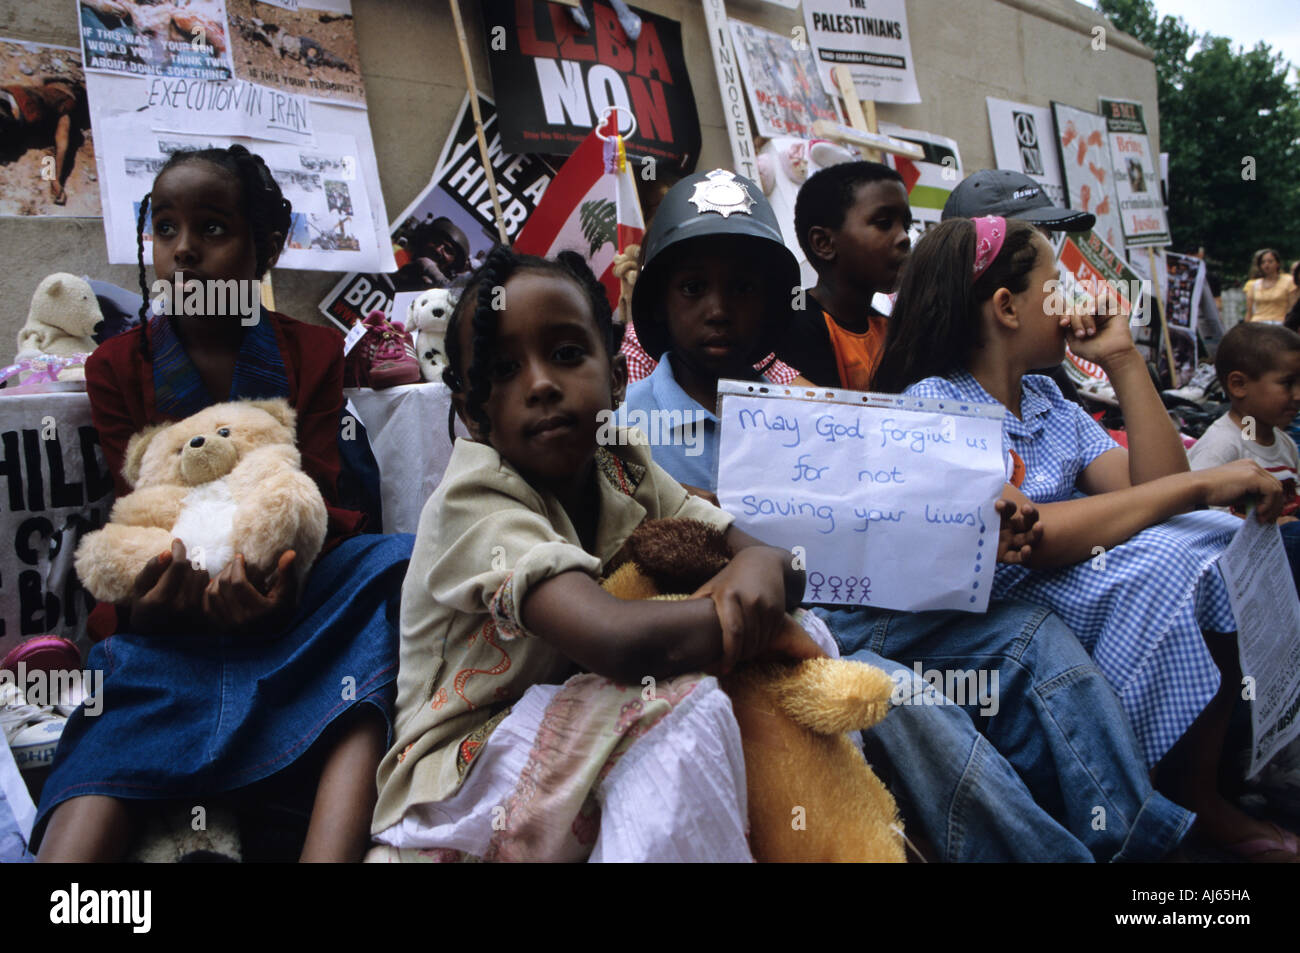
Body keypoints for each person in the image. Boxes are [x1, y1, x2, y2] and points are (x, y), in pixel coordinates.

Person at [621, 170, 1193, 862]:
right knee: (916, 705)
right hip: (773, 646)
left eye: (742, 288)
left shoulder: (801, 399)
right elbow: (648, 556)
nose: (718, 308)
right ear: (657, 301)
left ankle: (1145, 852)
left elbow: (885, 491)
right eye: (692, 288)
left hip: (870, 613)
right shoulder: (634, 428)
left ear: (773, 301)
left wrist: (969, 502)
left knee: (1035, 636)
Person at [368, 244, 821, 863]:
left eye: (565, 354)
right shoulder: (475, 500)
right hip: (460, 781)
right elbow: (616, 639)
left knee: (811, 634)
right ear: (474, 414)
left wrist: (761, 565)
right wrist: (748, 613)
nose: (542, 384)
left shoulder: (621, 464)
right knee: (678, 710)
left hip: (574, 733)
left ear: (616, 376)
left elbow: (770, 559)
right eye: (502, 370)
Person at [33, 145, 413, 863]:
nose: (183, 252)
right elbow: (136, 515)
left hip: (288, 612)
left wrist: (279, 586)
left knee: (393, 564)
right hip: (169, 631)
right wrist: (154, 599)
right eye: (166, 228)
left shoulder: (313, 353)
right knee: (117, 683)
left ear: (264, 246)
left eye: (211, 229)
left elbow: (318, 498)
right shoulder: (115, 366)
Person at [874, 215, 1297, 860]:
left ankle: (1194, 790)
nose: (1076, 298)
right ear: (1007, 308)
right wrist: (1197, 487)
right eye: (1059, 282)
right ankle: (1146, 796)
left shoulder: (1047, 400)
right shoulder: (937, 407)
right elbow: (1036, 539)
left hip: (1077, 580)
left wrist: (1125, 360)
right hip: (1007, 606)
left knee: (1212, 538)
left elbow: (1154, 482)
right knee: (1174, 558)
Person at [776, 161, 911, 389]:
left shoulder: (892, 332)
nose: (904, 238)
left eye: (906, 225)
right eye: (884, 223)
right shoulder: (791, 326)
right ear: (824, 243)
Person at [1188, 322, 1300, 593]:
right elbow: (1199, 518)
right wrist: (1272, 526)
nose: (1298, 395)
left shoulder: (1285, 443)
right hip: (1239, 567)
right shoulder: (1221, 445)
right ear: (1238, 385)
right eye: (1287, 383)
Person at [0, 77, 86, 206]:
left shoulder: (44, 89)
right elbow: (61, 147)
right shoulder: (66, 104)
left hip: (10, 93)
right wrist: (56, 180)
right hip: (17, 110)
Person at [1244, 248, 1298, 323]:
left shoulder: (1289, 282)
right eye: (1263, 262)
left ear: (1278, 263)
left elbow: (1292, 308)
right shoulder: (1254, 285)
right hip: (1258, 322)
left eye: (1270, 261)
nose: (1266, 264)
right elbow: (1249, 312)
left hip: (1280, 322)